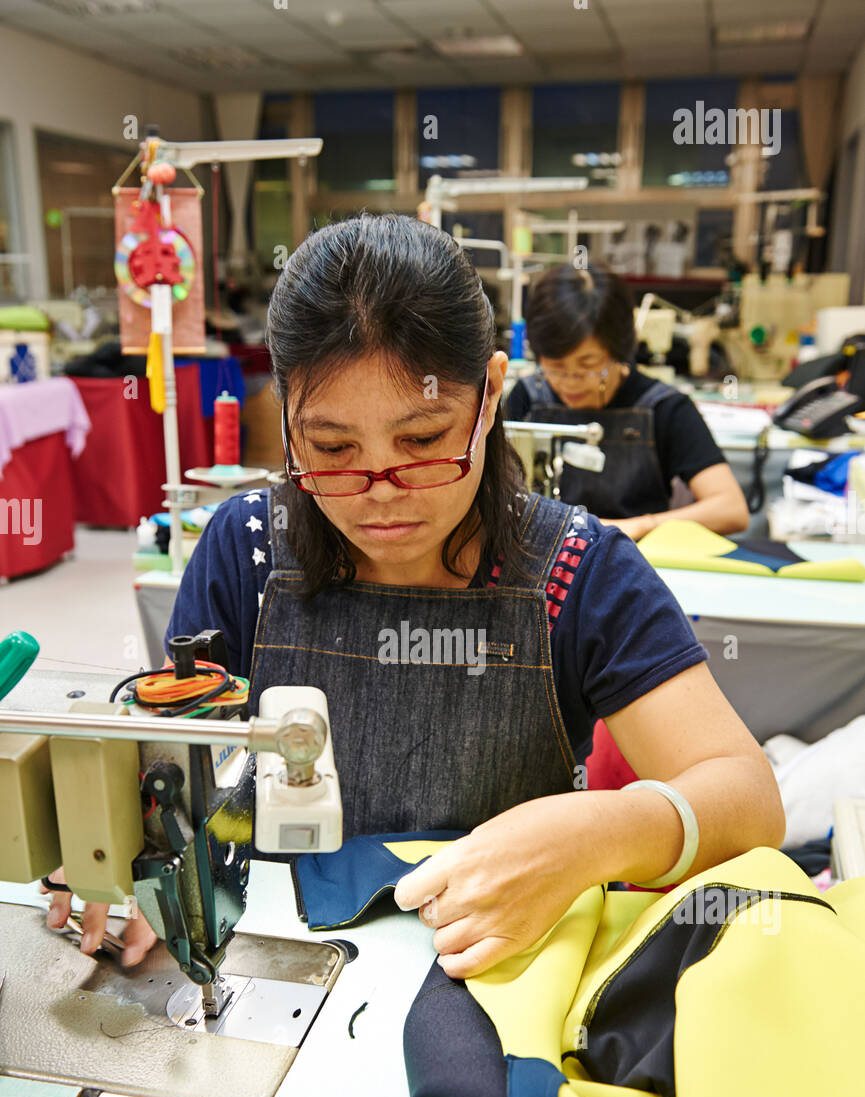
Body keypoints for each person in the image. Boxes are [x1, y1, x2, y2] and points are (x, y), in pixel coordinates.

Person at [43, 215, 783, 977]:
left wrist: (603, 828)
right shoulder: (247, 551)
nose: (379, 494)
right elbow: (180, 771)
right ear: (286, 415)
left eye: (424, 440)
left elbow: (749, 799)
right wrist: (129, 830)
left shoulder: (577, 571)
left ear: (489, 394)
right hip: (276, 952)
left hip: (484, 974)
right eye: (330, 449)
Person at [504, 262, 749, 541]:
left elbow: (731, 508)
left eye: (588, 365)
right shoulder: (527, 397)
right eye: (556, 367)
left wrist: (639, 526)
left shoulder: (665, 408)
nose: (570, 381)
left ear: (617, 350)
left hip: (630, 559)